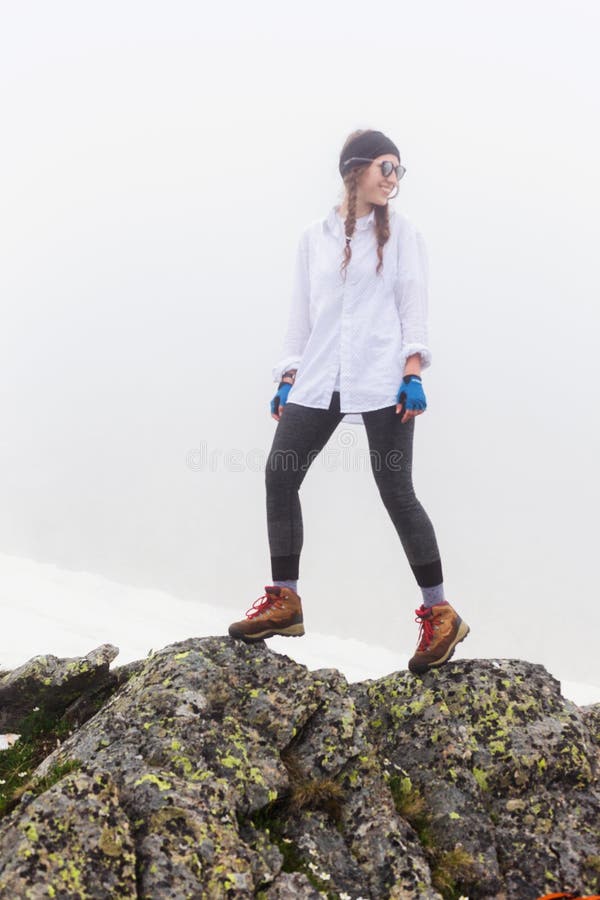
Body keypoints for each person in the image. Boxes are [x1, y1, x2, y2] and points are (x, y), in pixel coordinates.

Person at [228, 128, 470, 675]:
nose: (394, 179)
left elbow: (415, 307)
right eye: (386, 167)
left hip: (384, 378)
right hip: (320, 377)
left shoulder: (404, 236)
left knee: (395, 490)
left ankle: (440, 612)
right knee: (279, 473)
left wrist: (414, 372)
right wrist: (289, 377)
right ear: (354, 170)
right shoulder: (313, 238)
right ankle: (284, 599)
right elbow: (301, 313)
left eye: (399, 171)